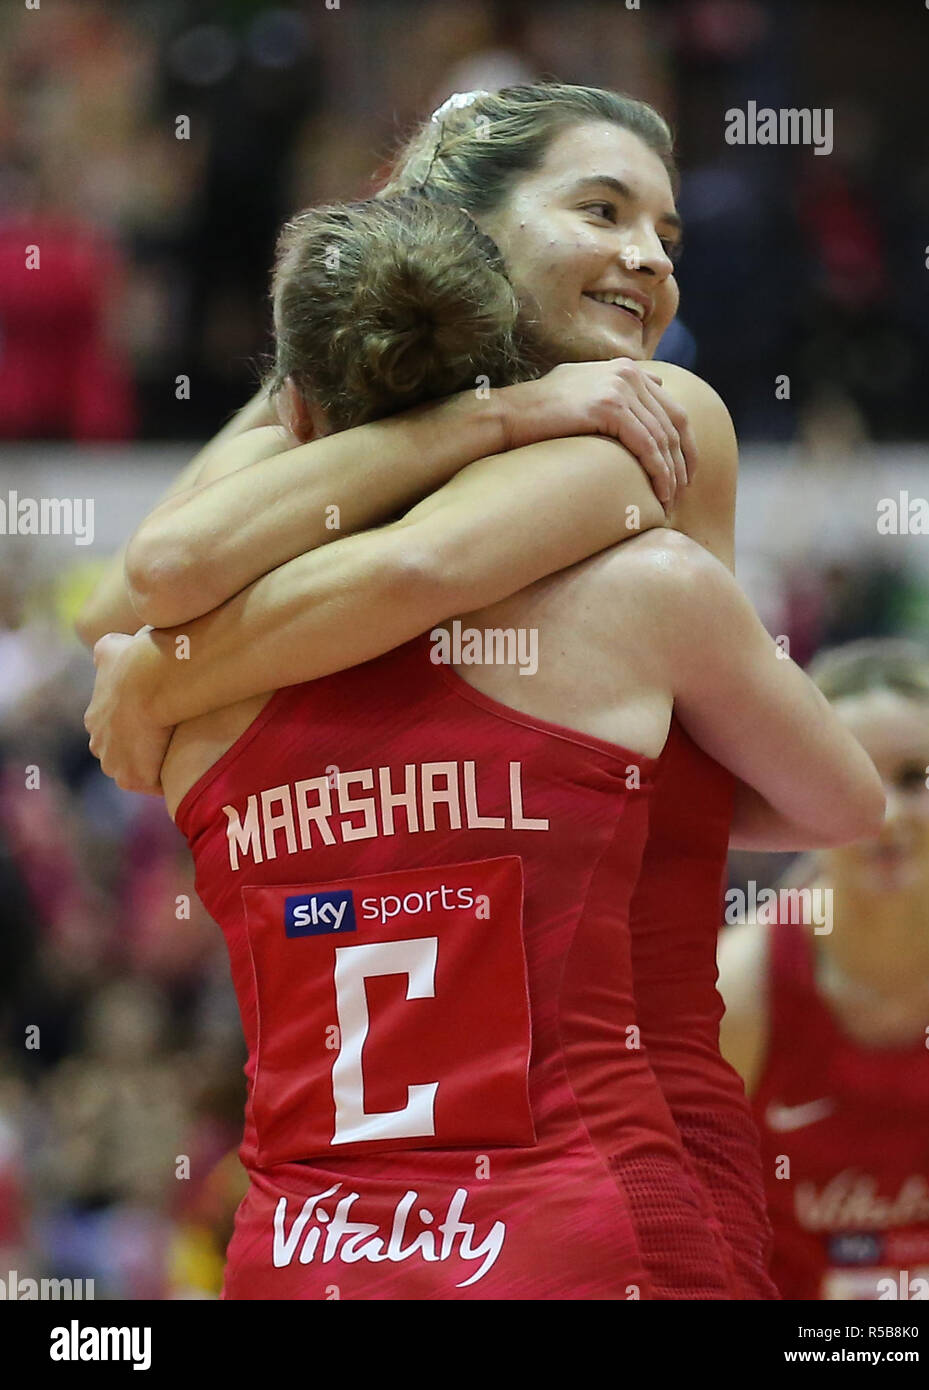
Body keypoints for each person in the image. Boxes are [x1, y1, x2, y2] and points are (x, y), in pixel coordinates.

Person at [82, 83, 884, 1297]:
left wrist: (157, 678)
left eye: (669, 236)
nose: (647, 258)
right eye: (602, 208)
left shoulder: (655, 412)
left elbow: (386, 573)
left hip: (360, 1220)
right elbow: (153, 575)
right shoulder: (439, 423)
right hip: (570, 1193)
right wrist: (493, 406)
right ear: (467, 226)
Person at [717, 639, 929, 1300]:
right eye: (853, 776)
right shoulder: (738, 991)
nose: (885, 814)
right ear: (797, 795)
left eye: (914, 778)